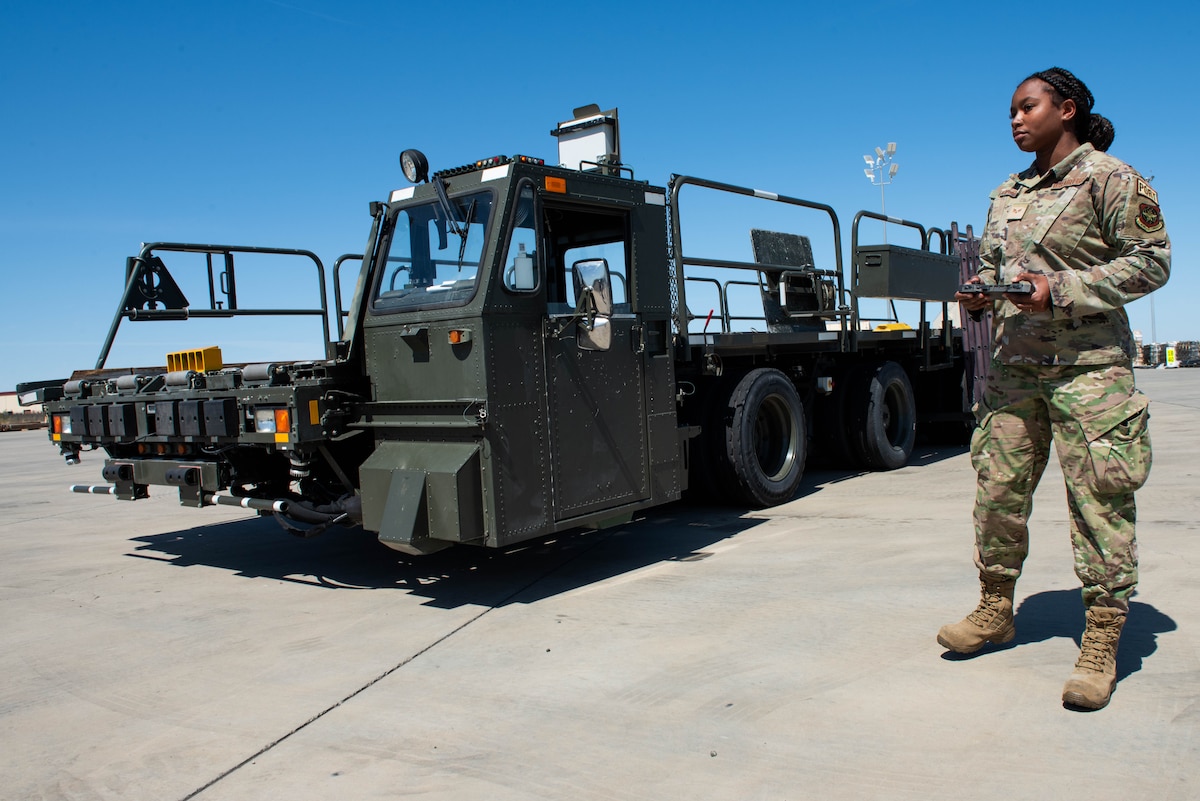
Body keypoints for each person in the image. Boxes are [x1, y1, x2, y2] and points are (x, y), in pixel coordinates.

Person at [938, 67, 1170, 710]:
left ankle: (1102, 638)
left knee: (1099, 500)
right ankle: (994, 608)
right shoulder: (1006, 193)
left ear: (1066, 110)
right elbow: (993, 269)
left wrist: (1059, 289)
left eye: (1027, 107)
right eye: (1011, 111)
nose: (1015, 119)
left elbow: (1152, 261)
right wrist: (980, 295)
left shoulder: (1110, 179)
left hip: (1089, 370)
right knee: (997, 491)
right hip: (1015, 371)